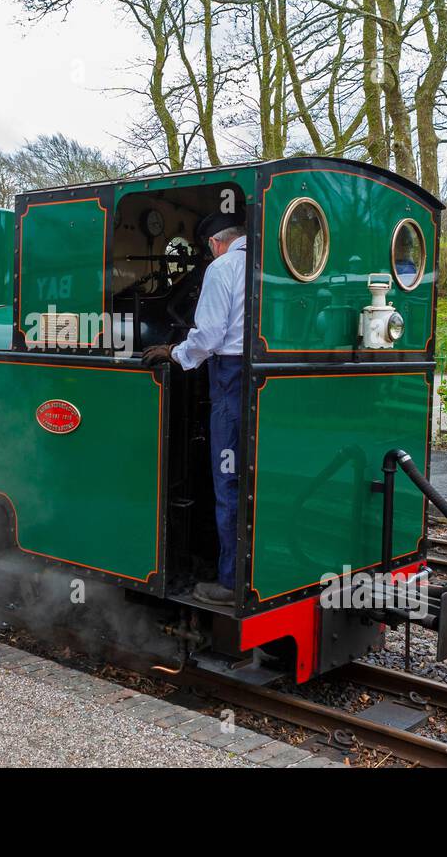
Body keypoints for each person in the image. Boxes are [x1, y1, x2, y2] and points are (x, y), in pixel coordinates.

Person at [142, 212, 246, 605]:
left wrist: (174, 351)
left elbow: (209, 335)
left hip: (230, 378)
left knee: (228, 481)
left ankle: (230, 580)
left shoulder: (223, 267)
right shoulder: (265, 263)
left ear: (216, 243)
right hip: (255, 373)